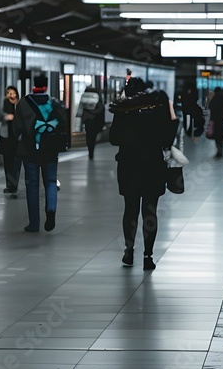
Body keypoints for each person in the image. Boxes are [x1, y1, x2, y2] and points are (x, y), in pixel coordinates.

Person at [109, 77, 177, 269]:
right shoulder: (158, 110)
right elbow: (167, 138)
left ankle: (129, 251)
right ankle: (148, 256)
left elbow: (113, 139)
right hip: (153, 165)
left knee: (130, 209)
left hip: (128, 165)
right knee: (150, 211)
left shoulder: (122, 110)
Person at [13, 74, 69, 233]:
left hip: (29, 149)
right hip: (50, 149)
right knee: (50, 181)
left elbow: (16, 128)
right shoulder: (54, 103)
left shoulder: (23, 103)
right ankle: (51, 209)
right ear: (46, 86)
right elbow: (63, 123)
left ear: (34, 85)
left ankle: (34, 223)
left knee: (32, 185)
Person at [0, 85, 22, 196]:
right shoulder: (4, 103)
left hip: (17, 137)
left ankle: (14, 185)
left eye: (13, 93)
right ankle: (9, 184)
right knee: (7, 162)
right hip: (6, 136)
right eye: (9, 93)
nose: (11, 95)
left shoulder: (20, 104)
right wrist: (5, 117)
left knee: (16, 162)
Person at [76, 85, 105, 159]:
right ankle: (92, 150)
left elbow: (80, 108)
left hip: (87, 119)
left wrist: (79, 116)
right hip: (96, 119)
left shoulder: (83, 97)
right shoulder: (97, 97)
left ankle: (90, 151)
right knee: (93, 136)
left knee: (88, 135)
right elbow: (101, 109)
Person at [208, 87, 223, 159]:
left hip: (216, 120)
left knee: (217, 136)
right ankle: (221, 150)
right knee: (221, 135)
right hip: (222, 119)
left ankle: (219, 151)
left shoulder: (216, 97)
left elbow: (211, 106)